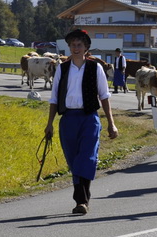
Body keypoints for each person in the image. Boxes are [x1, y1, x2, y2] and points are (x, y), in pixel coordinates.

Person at [44, 28, 118, 215]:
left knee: (87, 157)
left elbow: (104, 96)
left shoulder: (95, 68)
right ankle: (82, 199)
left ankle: (81, 200)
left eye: (79, 45)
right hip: (68, 119)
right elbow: (54, 98)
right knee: (73, 159)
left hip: (89, 118)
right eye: (73, 45)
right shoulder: (62, 69)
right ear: (69, 47)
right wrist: (49, 123)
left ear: (86, 48)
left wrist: (111, 123)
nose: (76, 48)